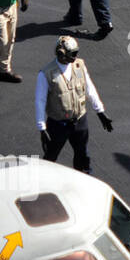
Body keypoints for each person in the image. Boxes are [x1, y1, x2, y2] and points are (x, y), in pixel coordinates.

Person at [35, 36, 113, 174]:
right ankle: (42, 182)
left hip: (79, 121)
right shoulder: (46, 74)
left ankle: (84, 178)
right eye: (73, 53)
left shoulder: (79, 65)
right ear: (61, 54)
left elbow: (89, 88)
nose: (76, 56)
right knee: (50, 157)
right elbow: (40, 100)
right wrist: (42, 128)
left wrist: (100, 111)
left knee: (82, 154)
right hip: (58, 124)